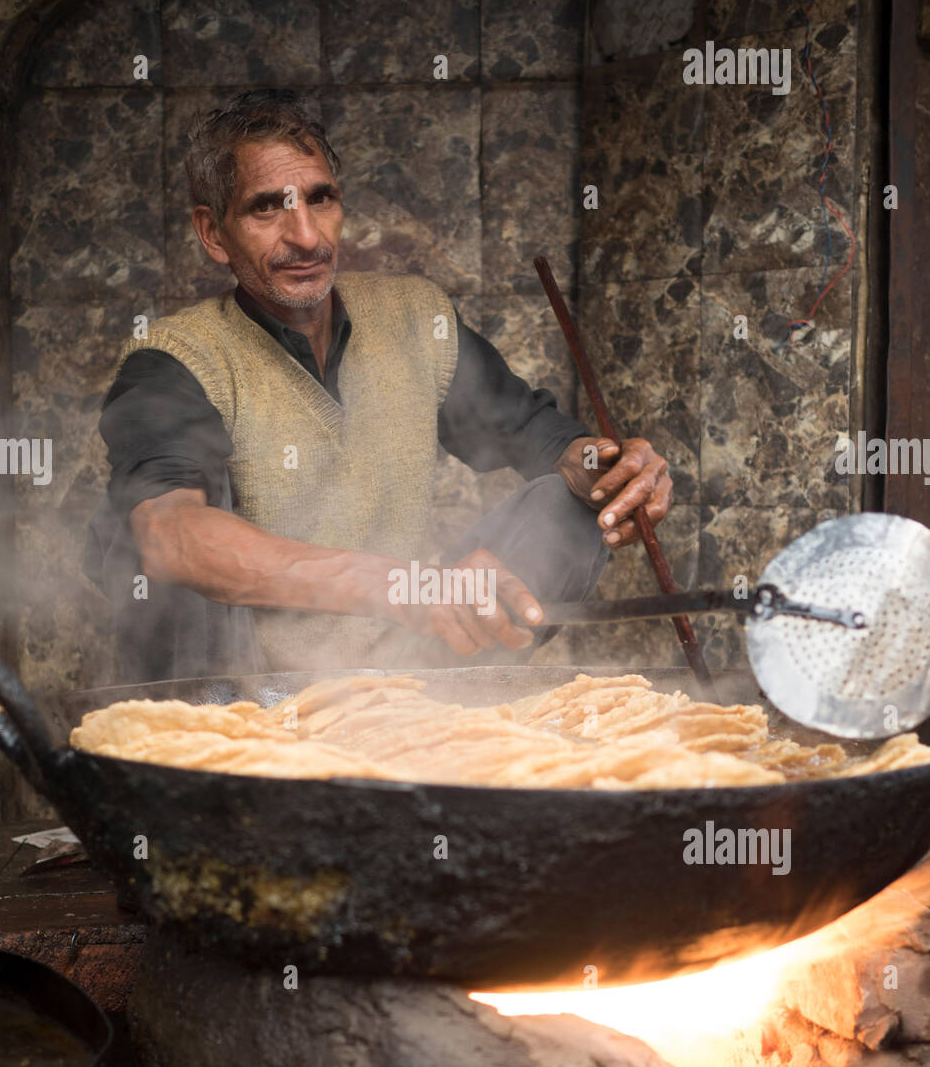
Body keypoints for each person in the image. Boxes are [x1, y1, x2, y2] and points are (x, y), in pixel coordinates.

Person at [85, 89, 672, 682]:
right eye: (268, 208)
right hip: (256, 697)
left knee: (570, 501)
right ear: (214, 234)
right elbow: (170, 537)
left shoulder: (415, 316)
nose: (308, 237)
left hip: (410, 672)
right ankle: (215, 745)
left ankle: (454, 703)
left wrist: (612, 467)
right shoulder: (174, 359)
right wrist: (402, 584)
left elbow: (532, 434)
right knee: (148, 540)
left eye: (322, 198)